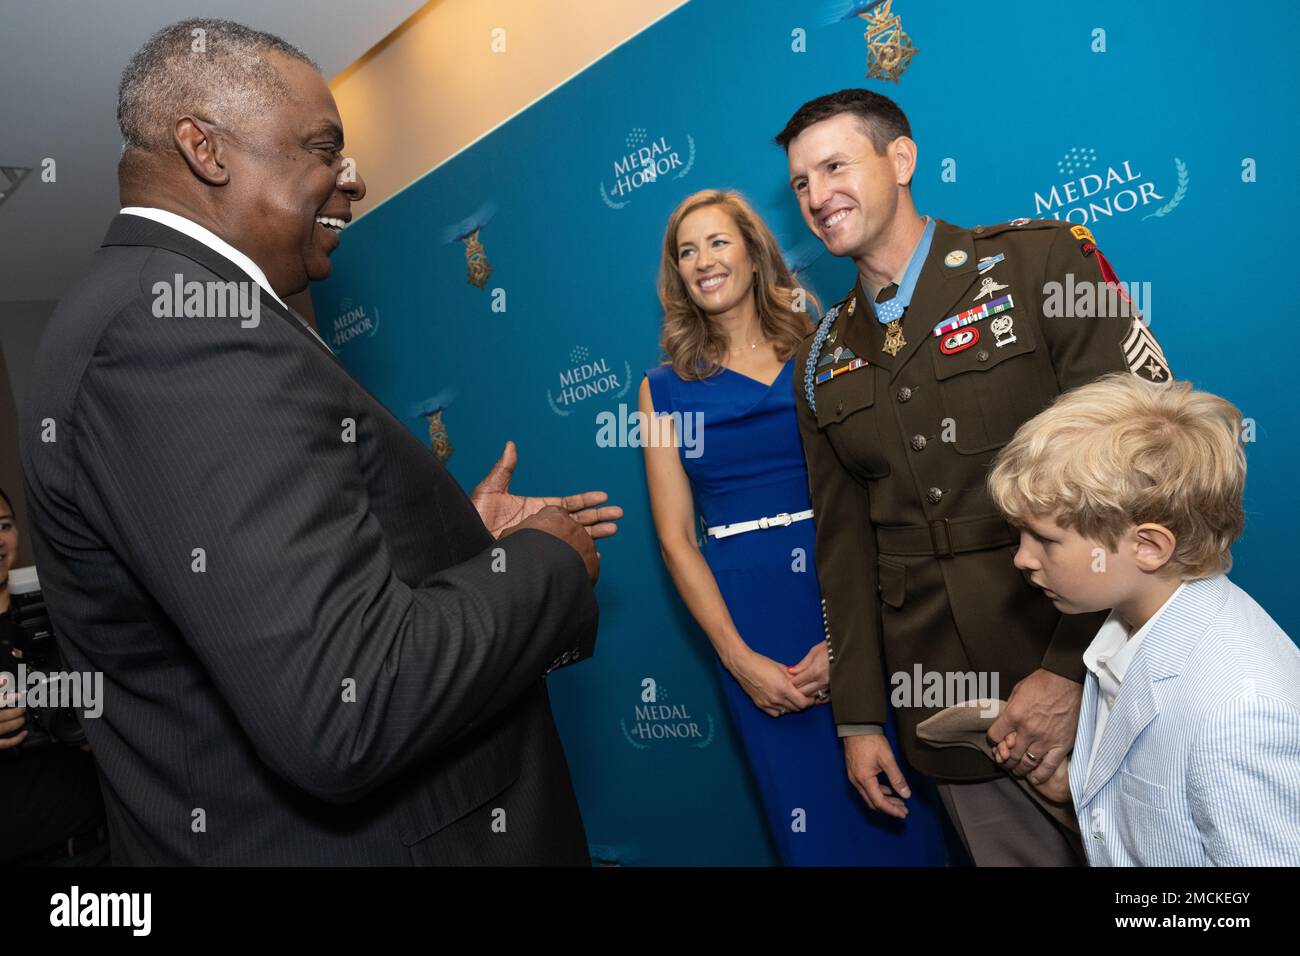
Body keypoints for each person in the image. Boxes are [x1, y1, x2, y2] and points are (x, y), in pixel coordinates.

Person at [19, 19, 621, 865]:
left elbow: (281, 608)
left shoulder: (173, 311)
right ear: (205, 149)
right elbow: (346, 708)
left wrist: (461, 545)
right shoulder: (181, 329)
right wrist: (542, 559)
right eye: (322, 149)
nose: (354, 179)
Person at [777, 88, 1172, 865]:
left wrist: (1068, 670)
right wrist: (859, 719)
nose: (818, 197)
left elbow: (1145, 462)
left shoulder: (1040, 262)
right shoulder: (819, 359)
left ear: (901, 159)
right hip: (945, 697)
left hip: (1097, 664)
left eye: (834, 167)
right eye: (800, 183)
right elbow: (844, 548)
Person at [640, 189, 947, 865]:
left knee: (905, 809)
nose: (703, 261)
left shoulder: (825, 347)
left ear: (753, 253)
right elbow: (675, 539)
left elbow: (880, 490)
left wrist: (852, 640)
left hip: (850, 589)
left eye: (718, 242)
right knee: (810, 823)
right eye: (686, 252)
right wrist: (739, 659)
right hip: (749, 620)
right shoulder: (662, 388)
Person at [988, 374, 1300, 866]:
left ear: (1148, 547)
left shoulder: (1238, 712)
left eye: (1045, 540)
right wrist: (1084, 797)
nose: (1022, 559)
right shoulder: (1124, 624)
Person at [0, 486, 111, 866]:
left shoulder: (61, 612)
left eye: (4, 525)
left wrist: (92, 724)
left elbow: (108, 703)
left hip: (93, 844)